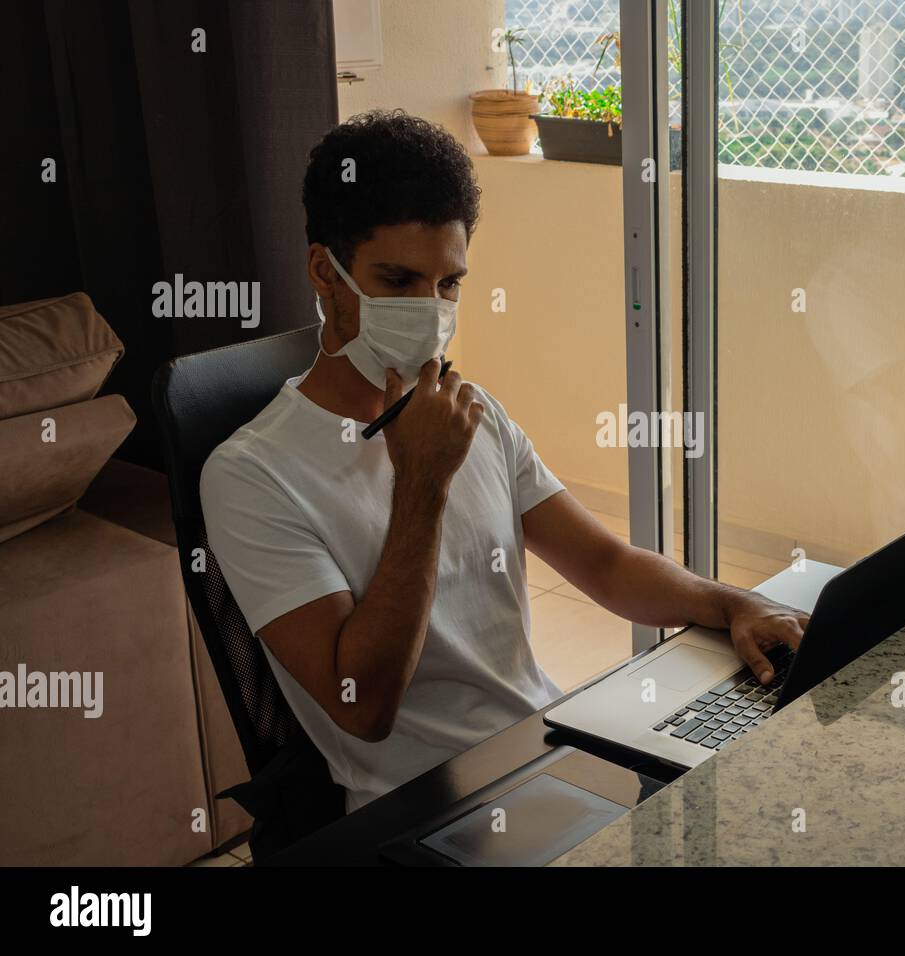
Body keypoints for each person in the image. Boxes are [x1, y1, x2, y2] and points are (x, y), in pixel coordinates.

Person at [201, 110, 807, 812]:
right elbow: (362, 707)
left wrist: (733, 604)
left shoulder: (472, 413)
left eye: (448, 283)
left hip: (549, 750)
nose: (430, 309)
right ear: (324, 272)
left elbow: (607, 566)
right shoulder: (251, 474)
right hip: (428, 806)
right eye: (398, 280)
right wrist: (421, 485)